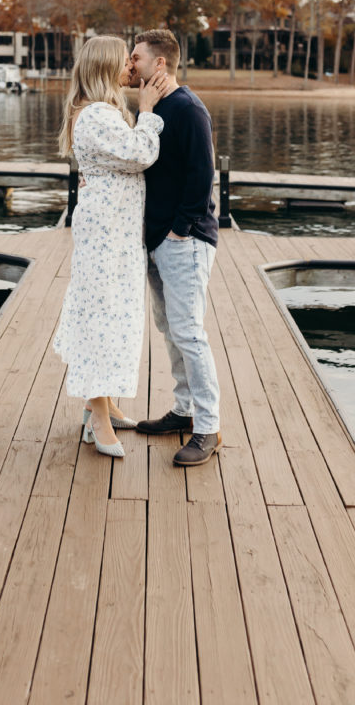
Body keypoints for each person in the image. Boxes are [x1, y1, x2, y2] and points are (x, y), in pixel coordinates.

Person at [53, 35, 172, 457]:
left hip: (113, 233)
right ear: (105, 68)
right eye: (123, 62)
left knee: (111, 314)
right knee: (104, 319)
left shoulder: (99, 112)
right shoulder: (98, 114)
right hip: (106, 235)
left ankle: (97, 404)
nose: (130, 69)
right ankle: (98, 419)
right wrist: (149, 113)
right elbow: (141, 154)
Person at [129, 29, 221, 466]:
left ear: (159, 64)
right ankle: (184, 411)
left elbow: (203, 176)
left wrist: (179, 230)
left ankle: (207, 427)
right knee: (170, 329)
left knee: (189, 332)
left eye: (137, 58)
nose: (131, 65)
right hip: (157, 240)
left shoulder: (188, 109)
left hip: (184, 241)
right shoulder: (154, 108)